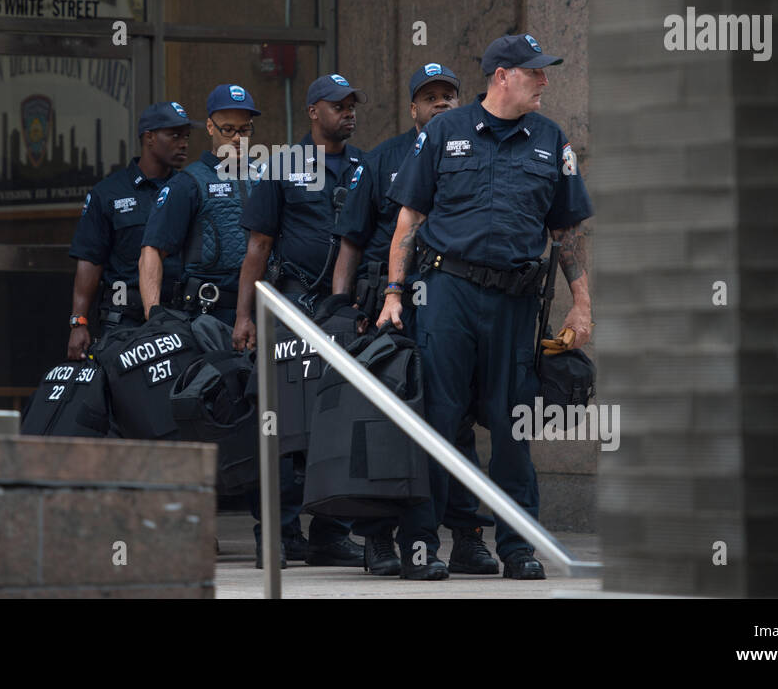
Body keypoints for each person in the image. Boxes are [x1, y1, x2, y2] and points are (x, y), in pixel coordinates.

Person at [379, 33, 594, 581]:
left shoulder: (552, 140)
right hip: (448, 293)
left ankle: (518, 547)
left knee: (512, 424)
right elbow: (409, 221)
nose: (545, 81)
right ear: (502, 76)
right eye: (535, 73)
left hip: (517, 303)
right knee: (437, 419)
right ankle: (422, 544)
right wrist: (394, 293)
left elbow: (566, 229)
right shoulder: (444, 132)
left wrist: (581, 305)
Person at [330, 63, 499, 577]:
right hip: (392, 308)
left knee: (459, 424)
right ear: (413, 108)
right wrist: (342, 307)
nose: (442, 103)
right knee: (390, 425)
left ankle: (467, 536)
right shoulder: (383, 160)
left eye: (449, 94)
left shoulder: (478, 149)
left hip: (453, 302)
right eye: (430, 97)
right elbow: (353, 240)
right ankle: (381, 538)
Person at [232, 73, 370, 569]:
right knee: (282, 429)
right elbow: (258, 246)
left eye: (352, 105)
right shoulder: (282, 165)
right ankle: (277, 532)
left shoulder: (364, 166)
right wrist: (244, 314)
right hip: (289, 310)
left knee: (336, 424)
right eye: (338, 105)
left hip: (343, 314)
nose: (348, 112)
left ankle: (331, 532)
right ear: (313, 110)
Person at [65, 101, 193, 359]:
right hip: (124, 321)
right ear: (149, 137)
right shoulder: (109, 193)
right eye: (175, 135)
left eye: (186, 136)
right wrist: (78, 323)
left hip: (180, 317)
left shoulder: (189, 189)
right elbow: (90, 260)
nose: (184, 143)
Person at [139, 84, 262, 327]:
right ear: (209, 127)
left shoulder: (264, 178)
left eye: (245, 130)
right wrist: (153, 315)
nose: (238, 138)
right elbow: (152, 251)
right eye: (228, 130)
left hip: (263, 309)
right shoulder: (188, 183)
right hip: (209, 314)